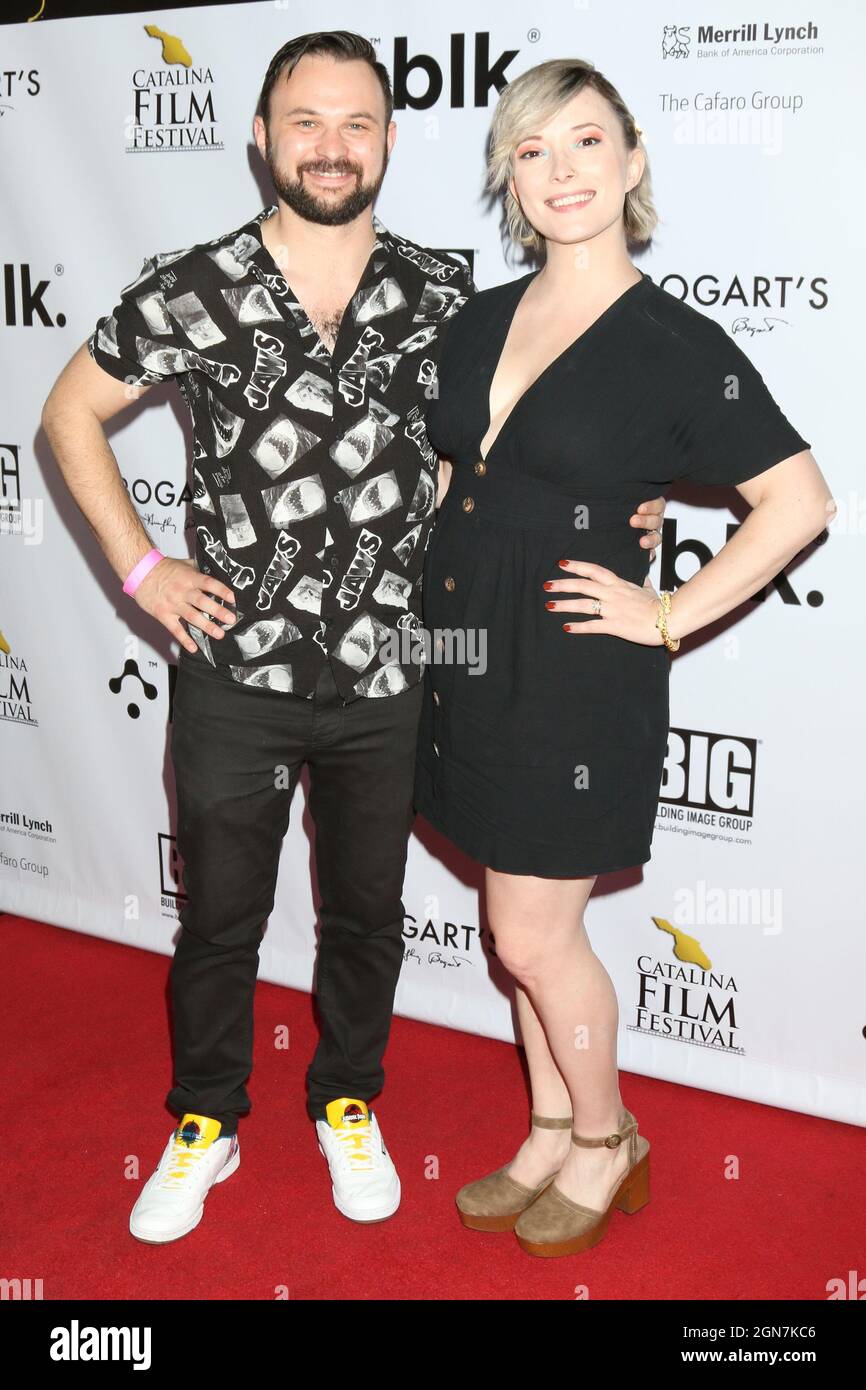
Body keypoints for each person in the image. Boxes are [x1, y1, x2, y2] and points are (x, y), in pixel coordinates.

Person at [40, 33, 667, 1245]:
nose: (331, 146)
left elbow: (543, 425)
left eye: (356, 123)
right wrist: (139, 566)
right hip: (234, 673)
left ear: (387, 138)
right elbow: (70, 411)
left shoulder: (446, 295)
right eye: (305, 122)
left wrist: (631, 496)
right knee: (218, 916)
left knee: (365, 914)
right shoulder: (194, 285)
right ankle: (205, 1122)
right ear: (262, 140)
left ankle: (346, 1100)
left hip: (396, 673)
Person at [413, 57, 833, 1258]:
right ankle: (549, 1123)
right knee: (512, 931)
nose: (560, 172)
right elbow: (462, 477)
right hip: (467, 652)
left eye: (585, 143)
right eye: (532, 151)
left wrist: (668, 611)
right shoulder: (480, 317)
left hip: (572, 674)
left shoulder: (668, 341)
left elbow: (796, 502)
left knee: (535, 938)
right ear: (509, 174)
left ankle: (605, 1138)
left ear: (632, 161)